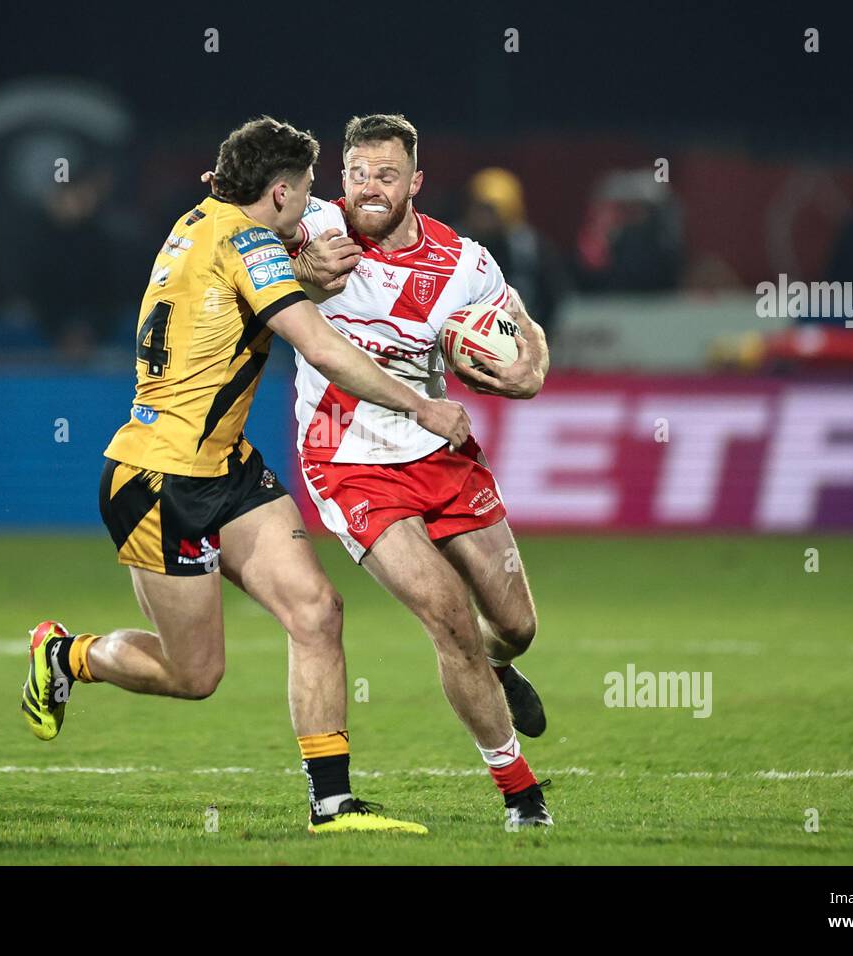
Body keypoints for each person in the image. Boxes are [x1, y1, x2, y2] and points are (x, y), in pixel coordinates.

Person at [19, 116, 471, 834]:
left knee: (317, 611)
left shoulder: (204, 220)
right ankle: (65, 654)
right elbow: (319, 348)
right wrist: (422, 405)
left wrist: (300, 269)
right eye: (308, 194)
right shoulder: (246, 241)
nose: (316, 209)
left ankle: (333, 803)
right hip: (158, 481)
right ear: (282, 192)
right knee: (194, 677)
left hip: (225, 468)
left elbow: (251, 278)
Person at [287, 114, 554, 827]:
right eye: (357, 174)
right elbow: (230, 231)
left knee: (515, 626)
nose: (368, 190)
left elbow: (524, 335)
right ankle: (520, 792)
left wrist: (526, 371)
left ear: (415, 182)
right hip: (347, 457)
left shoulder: (465, 263)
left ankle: (501, 669)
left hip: (438, 450)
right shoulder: (310, 228)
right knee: (447, 614)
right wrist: (291, 265)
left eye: (385, 175)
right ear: (340, 176)